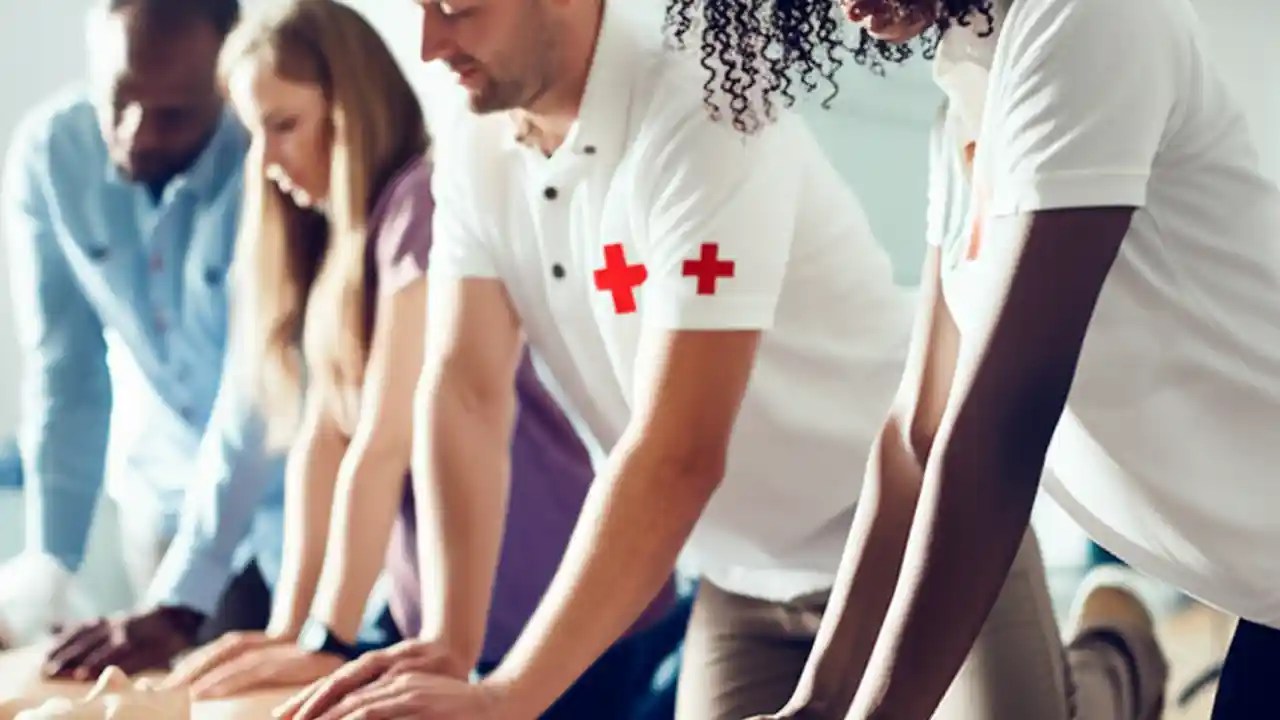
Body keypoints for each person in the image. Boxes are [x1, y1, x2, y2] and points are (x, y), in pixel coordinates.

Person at [268, 2, 1139, 719]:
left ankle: (1116, 646)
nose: (428, 42)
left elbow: (679, 452)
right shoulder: (473, 140)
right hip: (737, 580)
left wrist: (510, 694)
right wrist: (451, 651)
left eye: (455, 7)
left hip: (910, 536)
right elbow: (464, 393)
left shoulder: (710, 104)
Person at [666, 0, 1280, 718]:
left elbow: (1006, 419)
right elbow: (916, 438)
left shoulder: (1090, 18)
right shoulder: (968, 105)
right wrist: (817, 703)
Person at [146, 2, 676, 715]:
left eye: (285, 125)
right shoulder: (341, 243)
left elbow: (385, 441)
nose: (265, 162)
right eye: (254, 133)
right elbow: (325, 440)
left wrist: (326, 640)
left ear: (352, 111)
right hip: (439, 621)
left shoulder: (423, 205)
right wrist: (289, 632)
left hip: (551, 621)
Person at [0, 0, 288, 677]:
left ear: (229, 77)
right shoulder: (52, 155)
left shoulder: (273, 153)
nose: (139, 135)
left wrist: (184, 601)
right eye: (120, 100)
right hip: (162, 497)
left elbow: (257, 389)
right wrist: (50, 562)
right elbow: (66, 371)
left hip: (294, 497)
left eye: (175, 114)